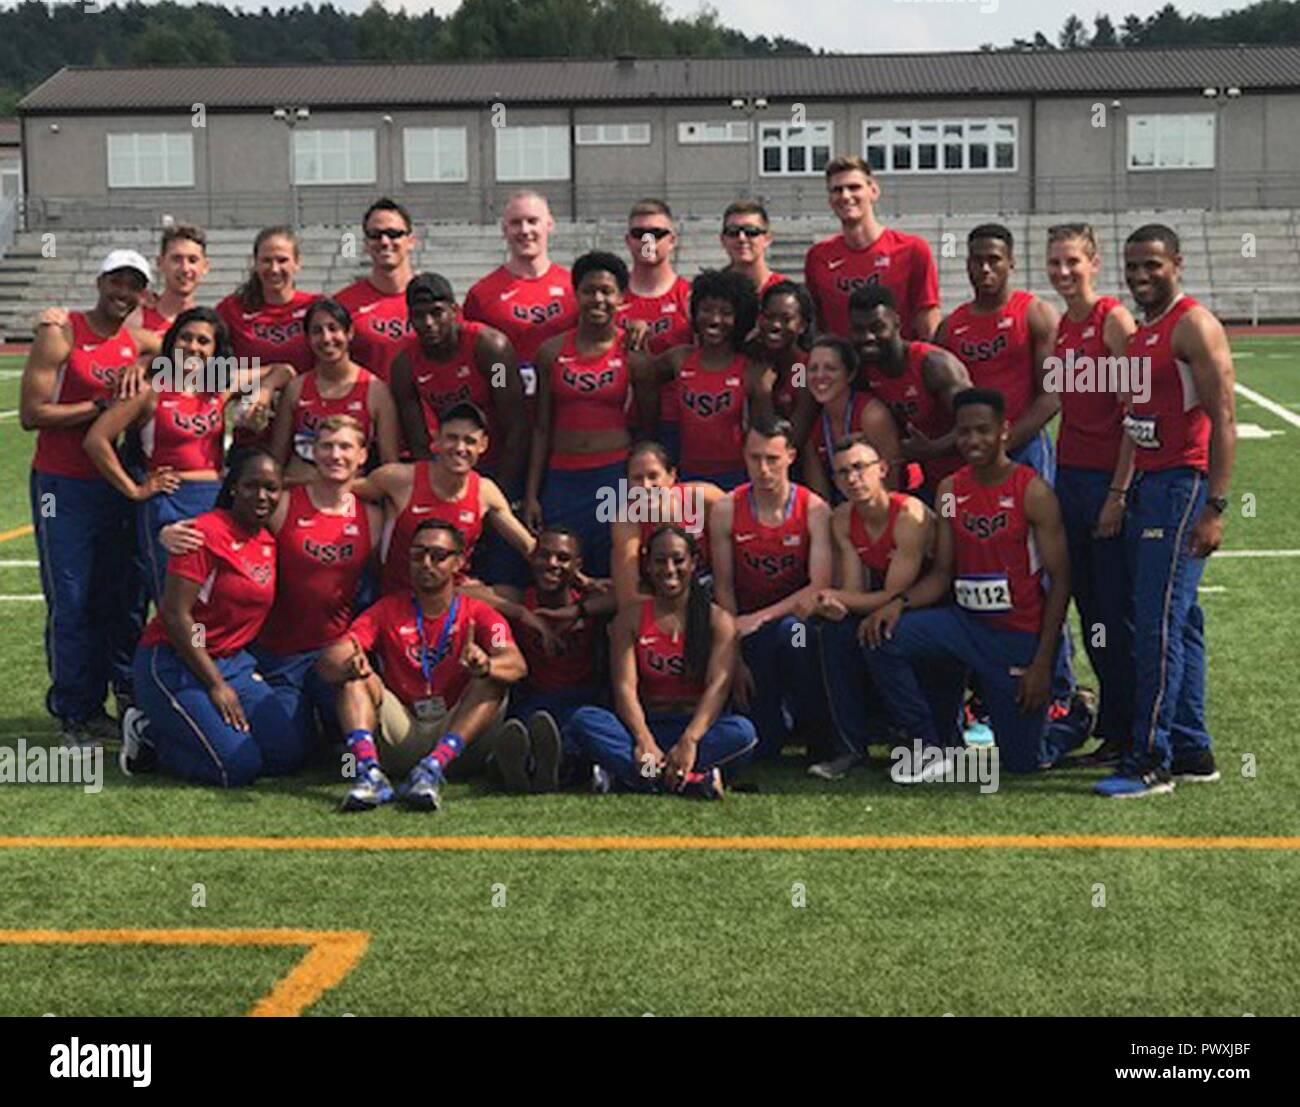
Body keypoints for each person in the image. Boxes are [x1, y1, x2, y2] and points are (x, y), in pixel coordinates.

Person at [861, 389, 1071, 779]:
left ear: (1004, 431)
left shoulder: (1033, 492)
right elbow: (942, 573)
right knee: (882, 637)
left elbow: (1060, 581)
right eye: (964, 432)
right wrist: (899, 604)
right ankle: (932, 746)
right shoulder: (950, 492)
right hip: (964, 625)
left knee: (1021, 764)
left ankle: (1069, 725)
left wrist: (1043, 663)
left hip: (1016, 637)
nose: (973, 441)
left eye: (983, 431)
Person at [1094, 224, 1236, 798]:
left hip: (1182, 486)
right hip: (1149, 485)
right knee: (1181, 621)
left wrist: (1215, 507)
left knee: (1156, 621)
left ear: (1176, 262)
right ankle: (1191, 747)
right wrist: (1120, 491)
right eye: (1132, 267)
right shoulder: (1141, 333)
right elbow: (1135, 421)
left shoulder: (1193, 326)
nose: (1141, 277)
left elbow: (1223, 418)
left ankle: (1151, 759)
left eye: (1152, 265)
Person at [159, 416, 385, 760]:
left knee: (353, 732)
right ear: (313, 452)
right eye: (326, 446)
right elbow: (232, 524)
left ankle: (340, 744)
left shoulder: (372, 516)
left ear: (362, 455)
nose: (335, 455)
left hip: (330, 652)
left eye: (345, 447)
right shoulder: (284, 503)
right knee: (287, 754)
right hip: (277, 654)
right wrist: (172, 532)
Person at [21, 249, 163, 746]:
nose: (123, 294)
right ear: (100, 281)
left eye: (134, 287)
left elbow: (177, 345)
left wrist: (144, 363)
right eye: (116, 283)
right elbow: (32, 413)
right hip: (61, 485)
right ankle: (75, 712)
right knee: (72, 598)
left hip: (112, 483)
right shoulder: (61, 332)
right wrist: (99, 405)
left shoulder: (134, 339)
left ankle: (110, 698)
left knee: (116, 596)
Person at [316, 519, 528, 812]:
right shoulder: (387, 609)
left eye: (438, 556)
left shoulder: (479, 612)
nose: (426, 563)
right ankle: (367, 772)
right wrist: (347, 663)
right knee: (354, 679)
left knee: (493, 680)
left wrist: (485, 665)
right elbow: (328, 662)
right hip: (404, 729)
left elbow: (517, 665)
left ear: (459, 562)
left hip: (457, 736)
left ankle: (431, 770)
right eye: (417, 555)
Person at [84, 306, 293, 601]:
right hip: (170, 502)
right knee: (175, 600)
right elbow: (96, 440)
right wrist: (134, 489)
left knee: (212, 597)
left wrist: (265, 390)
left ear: (216, 350)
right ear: (173, 342)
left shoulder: (218, 385)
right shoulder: (152, 391)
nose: (192, 347)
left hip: (215, 501)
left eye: (203, 341)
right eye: (186, 338)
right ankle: (169, 649)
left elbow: (283, 370)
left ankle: (203, 648)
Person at [127, 449, 306, 788]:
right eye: (252, 486)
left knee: (286, 755)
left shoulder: (268, 540)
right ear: (232, 486)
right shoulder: (204, 534)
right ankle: (150, 737)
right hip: (177, 660)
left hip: (233, 663)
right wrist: (215, 684)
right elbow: (177, 615)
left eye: (272, 488)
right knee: (237, 768)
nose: (262, 496)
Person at [568, 525, 757, 797]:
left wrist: (690, 740)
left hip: (699, 729)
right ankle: (691, 782)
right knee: (584, 720)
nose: (669, 569)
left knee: (743, 733)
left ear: (694, 562)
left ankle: (633, 779)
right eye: (660, 561)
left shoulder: (718, 621)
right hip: (646, 725)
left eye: (678, 560)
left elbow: (718, 687)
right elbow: (625, 689)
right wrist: (644, 740)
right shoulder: (628, 620)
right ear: (647, 565)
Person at [1046, 223, 1138, 766]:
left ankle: (1128, 729)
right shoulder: (1062, 326)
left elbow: (1137, 413)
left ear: (1094, 263)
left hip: (1107, 481)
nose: (1063, 272)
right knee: (1087, 607)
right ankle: (1111, 724)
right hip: (1071, 480)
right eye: (1055, 262)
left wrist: (1119, 492)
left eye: (1072, 262)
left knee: (1113, 608)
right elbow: (1060, 403)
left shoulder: (1114, 322)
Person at [807, 435, 934, 779]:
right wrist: (836, 605)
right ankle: (849, 748)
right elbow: (856, 590)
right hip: (887, 602)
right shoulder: (843, 518)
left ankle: (923, 742)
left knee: (882, 635)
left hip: (926, 602)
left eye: (860, 468)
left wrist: (827, 598)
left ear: (882, 470)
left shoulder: (909, 514)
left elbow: (895, 592)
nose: (853, 478)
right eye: (843, 472)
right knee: (833, 633)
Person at [709, 415, 833, 760]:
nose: (763, 469)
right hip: (745, 626)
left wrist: (760, 618)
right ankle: (775, 723)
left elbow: (818, 586)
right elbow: (724, 587)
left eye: (772, 459)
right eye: (754, 458)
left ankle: (818, 730)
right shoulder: (725, 509)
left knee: (796, 637)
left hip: (794, 621)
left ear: (791, 456)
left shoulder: (814, 509)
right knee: (764, 746)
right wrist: (731, 649)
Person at [527, 251, 651, 577]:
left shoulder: (633, 352)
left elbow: (648, 427)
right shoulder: (551, 351)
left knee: (612, 563)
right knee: (562, 565)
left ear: (621, 298)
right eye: (589, 290)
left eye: (607, 291)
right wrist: (531, 493)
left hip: (612, 474)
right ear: (576, 294)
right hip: (562, 477)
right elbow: (540, 427)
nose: (598, 299)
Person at [483, 524, 616, 791]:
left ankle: (551, 767)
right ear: (532, 558)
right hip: (534, 698)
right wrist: (525, 615)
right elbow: (462, 592)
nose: (552, 564)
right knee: (525, 730)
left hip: (581, 699)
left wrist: (578, 611)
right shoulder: (521, 597)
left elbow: (633, 597)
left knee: (579, 733)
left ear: (577, 565)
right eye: (544, 555)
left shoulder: (590, 600)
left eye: (563, 558)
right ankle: (525, 766)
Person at [363, 402, 535, 594]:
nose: (460, 448)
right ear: (436, 440)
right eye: (452, 438)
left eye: (469, 441)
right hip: (400, 598)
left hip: (453, 598)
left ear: (483, 445)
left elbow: (528, 547)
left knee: (512, 598)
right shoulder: (399, 478)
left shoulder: (484, 491)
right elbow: (340, 491)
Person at [936, 225, 1061, 479]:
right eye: (977, 260)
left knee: (1036, 516)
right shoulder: (950, 327)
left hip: (1025, 446)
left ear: (1011, 262)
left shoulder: (1035, 314)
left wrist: (1001, 444)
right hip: (973, 451)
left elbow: (1052, 397)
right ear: (967, 264)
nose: (985, 269)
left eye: (994, 259)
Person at [388, 272, 527, 493]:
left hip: (499, 463)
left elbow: (515, 425)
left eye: (437, 313)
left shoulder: (491, 350)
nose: (428, 324)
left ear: (454, 311)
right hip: (450, 467)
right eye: (419, 316)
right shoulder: (404, 366)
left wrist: (501, 491)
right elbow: (418, 442)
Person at [641, 269, 771, 491]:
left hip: (736, 476)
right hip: (686, 473)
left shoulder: (753, 369)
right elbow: (642, 376)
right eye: (707, 310)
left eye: (726, 312)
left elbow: (764, 432)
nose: (714, 319)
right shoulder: (678, 359)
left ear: (741, 317)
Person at [849, 285, 972, 502]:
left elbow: (977, 423)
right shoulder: (864, 370)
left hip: (964, 477)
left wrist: (933, 449)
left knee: (954, 532)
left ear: (897, 322)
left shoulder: (933, 365)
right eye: (859, 329)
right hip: (923, 481)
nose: (868, 337)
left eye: (877, 327)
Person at [804, 155, 940, 341]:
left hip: (895, 366)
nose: (845, 196)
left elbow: (928, 324)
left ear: (874, 191)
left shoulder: (913, 249)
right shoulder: (818, 256)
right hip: (846, 367)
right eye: (837, 190)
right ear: (830, 200)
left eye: (854, 187)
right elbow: (818, 325)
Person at [268, 298, 400, 484]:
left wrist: (337, 487)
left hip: (352, 496)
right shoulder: (296, 389)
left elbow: (389, 468)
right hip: (300, 493)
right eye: (316, 331)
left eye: (333, 328)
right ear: (307, 338)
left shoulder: (375, 391)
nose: (326, 338)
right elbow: (276, 460)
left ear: (350, 332)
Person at [463, 190, 578, 404]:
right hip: (507, 410)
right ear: (504, 229)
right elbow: (477, 360)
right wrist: (500, 386)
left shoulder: (573, 288)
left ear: (549, 225)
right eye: (516, 223)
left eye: (533, 221)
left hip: (563, 409)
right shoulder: (482, 293)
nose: (525, 230)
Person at [610, 440, 724, 609]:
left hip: (710, 587)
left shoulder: (702, 498)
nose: (646, 486)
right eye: (637, 478)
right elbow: (628, 597)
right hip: (659, 596)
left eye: (653, 476)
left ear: (671, 476)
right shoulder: (627, 520)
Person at [801, 334, 901, 503]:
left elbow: (891, 478)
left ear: (850, 374)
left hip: (890, 504)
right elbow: (819, 495)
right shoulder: (813, 422)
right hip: (846, 506)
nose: (819, 376)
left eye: (830, 368)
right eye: (813, 369)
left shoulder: (871, 415)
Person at [334, 197, 419, 381]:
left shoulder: (435, 300)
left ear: (411, 241)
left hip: (426, 407)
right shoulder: (342, 305)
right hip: (366, 406)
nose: (385, 241)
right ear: (366, 244)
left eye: (394, 233)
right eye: (375, 235)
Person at [215, 226, 316, 377]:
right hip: (249, 397)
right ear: (255, 263)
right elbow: (213, 369)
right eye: (266, 260)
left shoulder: (315, 307)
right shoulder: (231, 309)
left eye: (282, 260)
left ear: (297, 263)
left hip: (307, 398)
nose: (274, 269)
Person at [618, 198, 693, 355]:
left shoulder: (689, 296)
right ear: (628, 241)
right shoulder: (611, 296)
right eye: (639, 234)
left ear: (672, 241)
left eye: (656, 234)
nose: (647, 241)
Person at [753, 280, 817, 444]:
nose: (775, 325)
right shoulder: (753, 358)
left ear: (802, 325)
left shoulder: (799, 368)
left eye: (786, 319)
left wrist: (763, 393)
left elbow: (795, 437)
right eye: (769, 317)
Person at [139, 223, 211, 335]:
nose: (185, 268)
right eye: (176, 259)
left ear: (205, 266)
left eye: (192, 260)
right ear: (160, 263)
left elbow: (179, 353)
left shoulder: (210, 327)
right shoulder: (136, 320)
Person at [720, 199, 789, 297]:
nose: (741, 238)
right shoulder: (710, 292)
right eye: (733, 231)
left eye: (751, 231)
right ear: (722, 240)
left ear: (767, 239)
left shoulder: (785, 292)